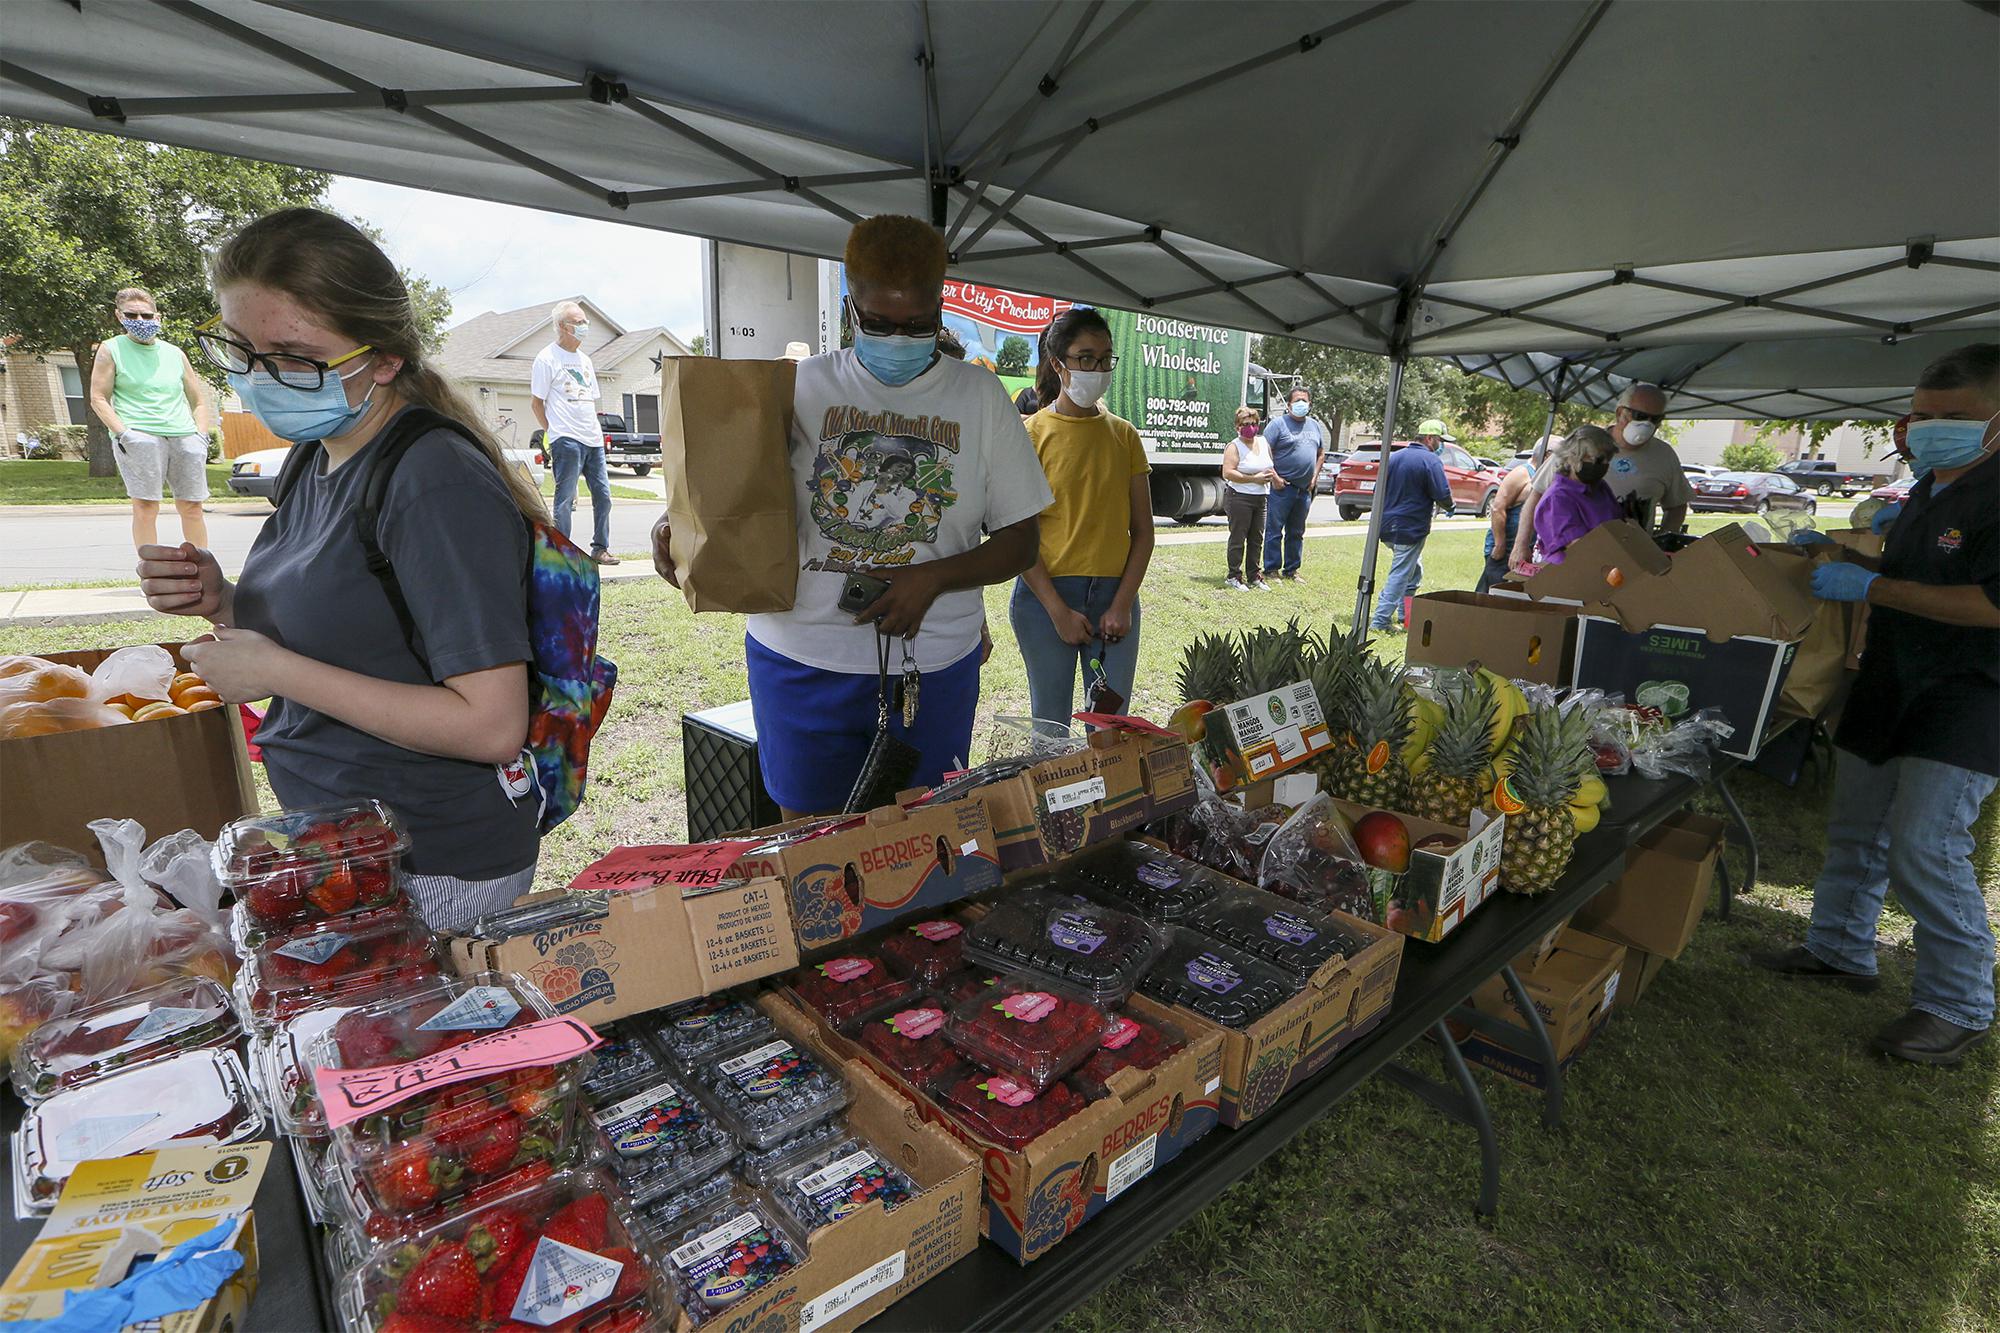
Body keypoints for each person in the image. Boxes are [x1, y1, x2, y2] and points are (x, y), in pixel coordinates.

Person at [135, 208, 556, 931]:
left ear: (384, 358)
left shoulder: (433, 481)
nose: (261, 378)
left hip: (429, 865)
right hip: (343, 844)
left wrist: (277, 673)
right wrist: (223, 601)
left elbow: (491, 727)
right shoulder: (317, 453)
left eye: (294, 356)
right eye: (240, 348)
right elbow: (349, 628)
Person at [650, 215, 1051, 816]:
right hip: (801, 658)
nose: (898, 338)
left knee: (922, 840)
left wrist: (933, 577)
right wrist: (680, 529)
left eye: (917, 324)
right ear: (850, 308)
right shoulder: (794, 387)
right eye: (879, 323)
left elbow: (1021, 540)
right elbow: (731, 496)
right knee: (811, 845)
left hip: (932, 666)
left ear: (940, 306)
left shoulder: (979, 397)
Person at [1756, 342, 1999, 1066]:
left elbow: (1991, 603)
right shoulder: (1931, 487)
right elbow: (1910, 575)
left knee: (1928, 844)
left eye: (1954, 416)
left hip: (1968, 693)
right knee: (1856, 826)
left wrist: (1873, 589)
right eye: (1922, 413)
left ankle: (1956, 1003)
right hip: (1891, 677)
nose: (1930, 426)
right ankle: (1838, 947)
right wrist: (1845, 560)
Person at [1013, 307, 1154, 729]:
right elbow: (1019, 537)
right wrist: (1057, 610)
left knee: (1109, 731)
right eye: (1085, 357)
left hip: (1114, 599)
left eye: (1105, 358)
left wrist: (1122, 605)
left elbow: (1143, 533)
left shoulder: (1124, 435)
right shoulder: (1029, 435)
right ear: (1058, 364)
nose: (1097, 368)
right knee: (1051, 729)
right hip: (1044, 599)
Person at [1510, 382, 1692, 567]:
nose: (1648, 423)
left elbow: (1673, 506)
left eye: (1656, 419)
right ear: (1621, 413)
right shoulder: (1577, 452)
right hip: (1579, 569)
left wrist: (1656, 546)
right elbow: (1575, 544)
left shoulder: (1604, 486)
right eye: (1640, 416)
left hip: (1624, 563)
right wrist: (1520, 545)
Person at [88, 286, 214, 552]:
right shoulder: (111, 349)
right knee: (146, 507)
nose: (140, 321)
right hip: (139, 436)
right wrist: (124, 434)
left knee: (192, 507)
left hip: (184, 436)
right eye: (132, 315)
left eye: (146, 315)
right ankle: (152, 571)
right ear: (119, 316)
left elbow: (199, 401)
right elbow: (98, 397)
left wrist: (200, 436)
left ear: (158, 317)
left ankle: (201, 568)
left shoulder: (175, 353)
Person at [533, 300, 617, 566]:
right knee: (565, 499)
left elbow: (590, 401)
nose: (584, 327)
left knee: (603, 496)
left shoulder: (585, 361)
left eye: (585, 322)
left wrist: (597, 434)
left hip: (592, 439)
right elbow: (537, 403)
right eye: (578, 323)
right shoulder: (547, 358)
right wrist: (555, 433)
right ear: (562, 326)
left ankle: (600, 548)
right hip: (566, 440)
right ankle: (562, 551)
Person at [1369, 426, 1453, 633]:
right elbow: (1442, 493)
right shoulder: (1430, 460)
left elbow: (1376, 490)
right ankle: (1380, 621)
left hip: (1387, 524)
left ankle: (1407, 617)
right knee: (1401, 573)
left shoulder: (1395, 458)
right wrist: (1451, 506)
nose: (1441, 445)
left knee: (1414, 571)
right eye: (1440, 440)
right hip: (1410, 526)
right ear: (1430, 438)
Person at [1525, 426, 1623, 565]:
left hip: (1607, 566)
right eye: (1597, 460)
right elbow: (1578, 546)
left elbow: (1618, 526)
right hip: (1574, 573)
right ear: (1572, 457)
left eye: (1607, 460)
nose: (1603, 465)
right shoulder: (1557, 498)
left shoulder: (1600, 488)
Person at [1261, 385, 1328, 582]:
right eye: (1296, 400)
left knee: (1297, 532)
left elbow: (1321, 453)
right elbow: (1264, 451)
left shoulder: (1314, 425)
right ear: (1288, 404)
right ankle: (1271, 570)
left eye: (1304, 401)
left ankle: (1291, 570)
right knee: (1274, 530)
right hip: (1282, 488)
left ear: (1310, 404)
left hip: (1304, 489)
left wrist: (1314, 477)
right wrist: (1275, 477)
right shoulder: (1278, 425)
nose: (1301, 404)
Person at [1222, 405, 1277, 591]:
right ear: (1237, 426)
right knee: (1238, 537)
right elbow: (1228, 473)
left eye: (1254, 423)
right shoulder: (1234, 446)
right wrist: (1254, 479)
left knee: (1257, 538)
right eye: (1246, 424)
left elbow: (1269, 465)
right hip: (1240, 497)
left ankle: (1254, 575)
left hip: (1261, 497)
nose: (1251, 427)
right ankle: (1234, 576)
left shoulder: (1263, 443)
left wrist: (1275, 480)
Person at [1476, 455, 1533, 593]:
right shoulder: (1522, 473)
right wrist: (1499, 545)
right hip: (1505, 550)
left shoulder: (1545, 475)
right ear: (1548, 454)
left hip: (1524, 550)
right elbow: (1497, 508)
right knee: (1492, 593)